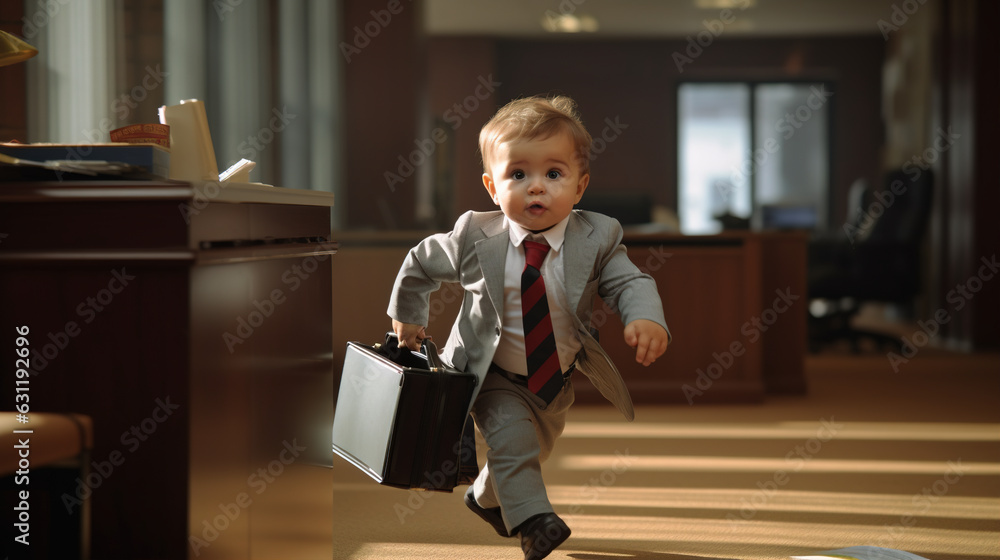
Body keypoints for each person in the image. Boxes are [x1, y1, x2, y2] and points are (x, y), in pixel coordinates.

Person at [388, 95, 670, 560]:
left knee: (532, 448)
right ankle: (535, 524)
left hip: (553, 377)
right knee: (513, 442)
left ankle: (484, 497)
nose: (536, 188)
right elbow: (420, 261)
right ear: (492, 187)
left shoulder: (598, 237)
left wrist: (645, 316)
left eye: (553, 174)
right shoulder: (473, 235)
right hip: (490, 373)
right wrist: (409, 313)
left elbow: (629, 281)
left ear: (580, 187)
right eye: (518, 174)